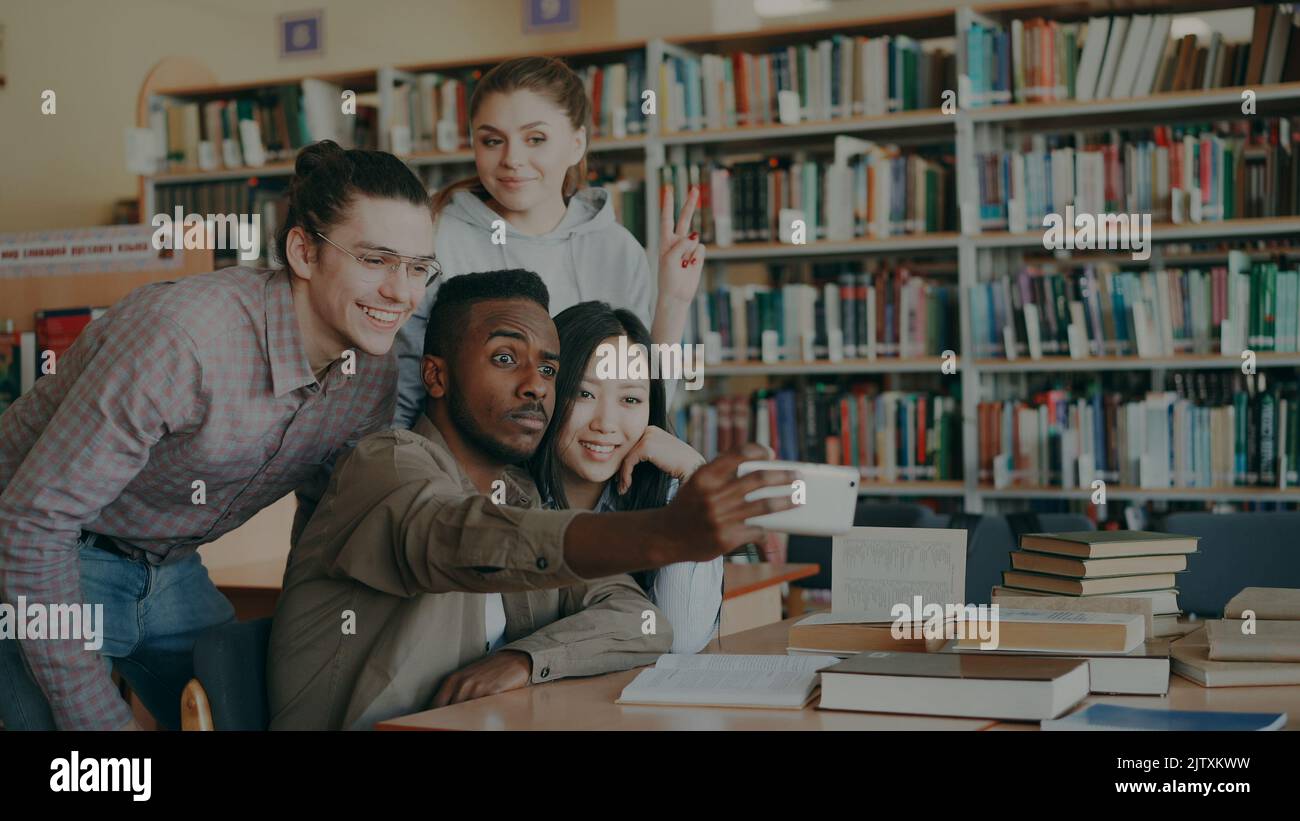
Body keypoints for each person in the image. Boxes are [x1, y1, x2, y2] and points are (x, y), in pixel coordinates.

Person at [0, 141, 437, 730]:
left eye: (417, 268)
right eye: (376, 260)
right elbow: (32, 523)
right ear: (303, 251)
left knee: (264, 712)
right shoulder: (183, 340)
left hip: (170, 567)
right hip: (32, 556)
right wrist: (100, 722)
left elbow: (322, 522)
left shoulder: (371, 371)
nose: (401, 293)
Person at [267, 269, 799, 729]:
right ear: (436, 375)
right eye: (505, 357)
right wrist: (665, 534)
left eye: (547, 369)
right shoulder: (385, 463)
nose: (534, 386)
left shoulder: (521, 495)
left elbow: (637, 619)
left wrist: (526, 658)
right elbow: (458, 539)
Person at [393, 55, 705, 428]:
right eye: (492, 140)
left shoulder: (618, 250)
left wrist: (673, 301)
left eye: (535, 139)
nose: (512, 159)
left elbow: (638, 405)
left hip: (583, 474)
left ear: (577, 144)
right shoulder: (437, 236)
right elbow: (405, 385)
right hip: (466, 475)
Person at [529, 301, 721, 653]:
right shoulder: (509, 495)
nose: (606, 423)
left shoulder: (666, 494)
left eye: (630, 399)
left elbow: (683, 639)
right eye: (584, 394)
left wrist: (695, 477)